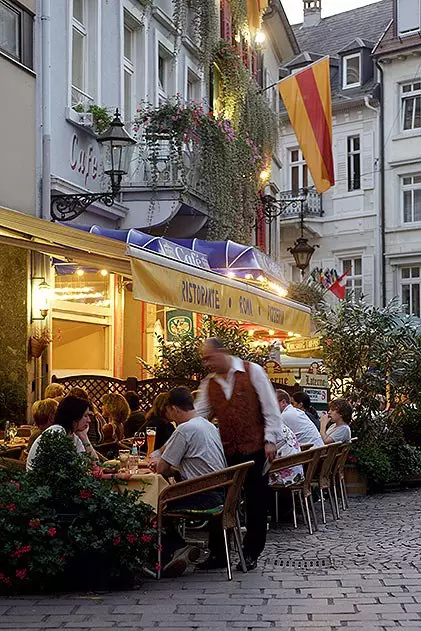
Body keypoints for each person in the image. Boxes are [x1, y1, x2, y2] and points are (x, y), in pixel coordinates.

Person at [195, 338, 281, 572]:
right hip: (226, 450)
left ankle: (252, 552)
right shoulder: (209, 384)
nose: (207, 363)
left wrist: (271, 440)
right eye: (204, 359)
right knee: (218, 499)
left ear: (222, 352)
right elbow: (199, 417)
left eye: (209, 357)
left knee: (256, 501)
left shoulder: (252, 371)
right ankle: (219, 553)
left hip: (255, 447)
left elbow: (270, 408)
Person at [152, 387, 227, 578]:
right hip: (221, 492)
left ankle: (176, 548)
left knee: (153, 504)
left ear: (173, 408)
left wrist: (166, 467)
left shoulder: (185, 429)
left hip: (203, 495)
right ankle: (177, 548)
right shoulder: (207, 425)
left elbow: (162, 468)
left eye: (167, 411)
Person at [26, 395, 97, 470]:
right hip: (40, 480)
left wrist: (84, 437)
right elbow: (66, 470)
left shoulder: (72, 436)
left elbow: (94, 465)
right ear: (74, 417)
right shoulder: (56, 433)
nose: (89, 420)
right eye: (85, 416)